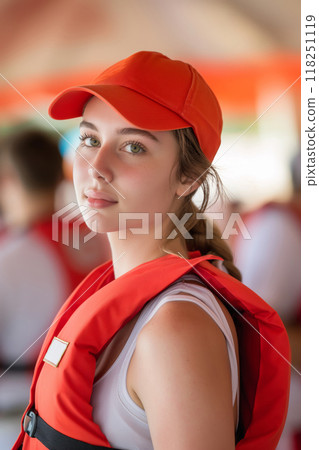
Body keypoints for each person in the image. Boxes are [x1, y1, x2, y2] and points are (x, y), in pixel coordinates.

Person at [13, 51, 290, 450]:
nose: (97, 166)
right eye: (90, 139)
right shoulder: (125, 294)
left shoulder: (176, 329)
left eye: (134, 147)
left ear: (188, 177)